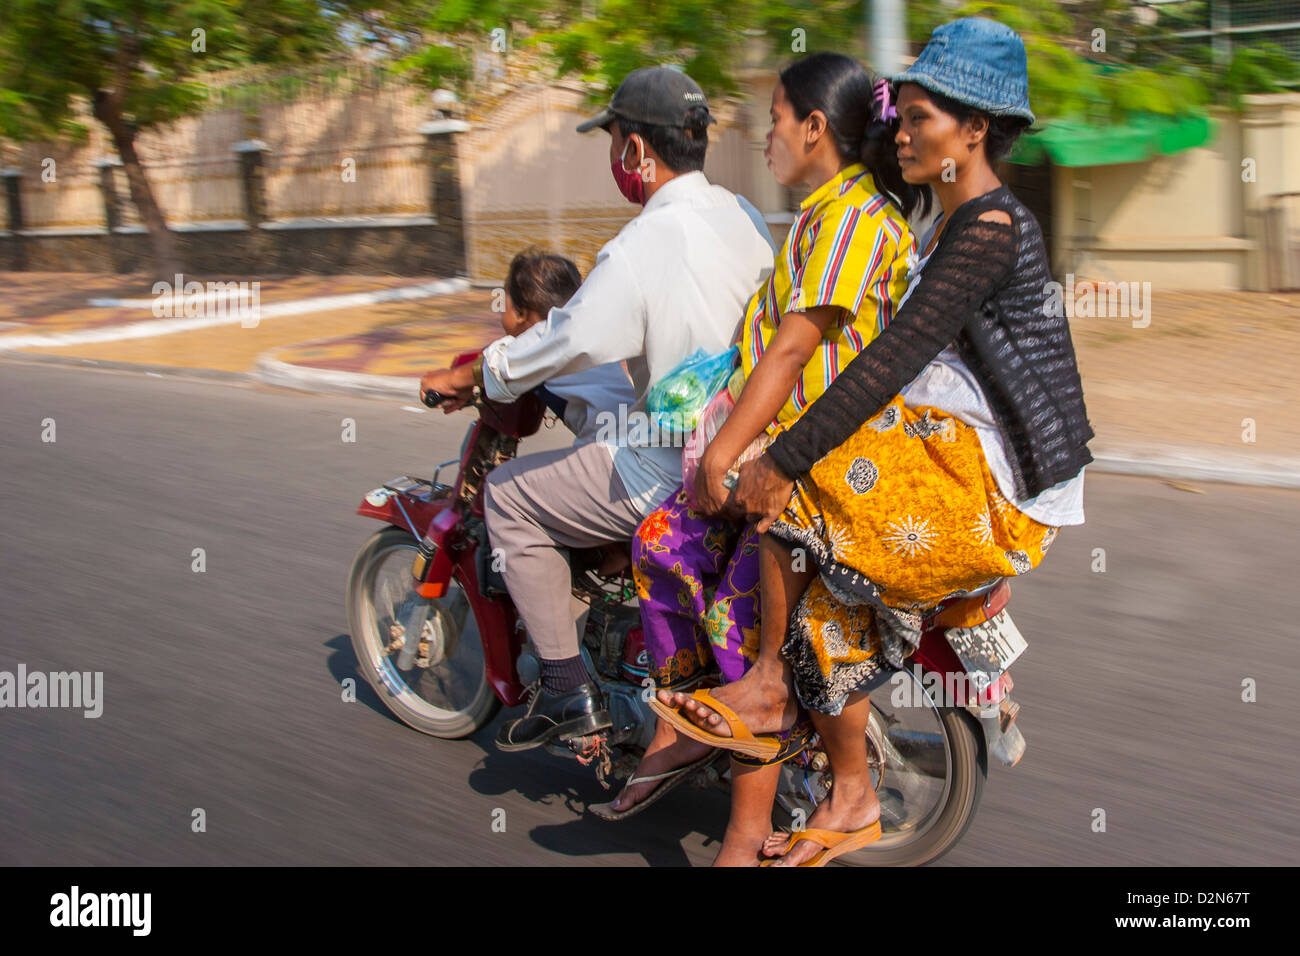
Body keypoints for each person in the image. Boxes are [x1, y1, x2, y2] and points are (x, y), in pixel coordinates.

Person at [656, 17, 1095, 867]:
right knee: (824, 620)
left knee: (796, 476)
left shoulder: (993, 229)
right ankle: (851, 792)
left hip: (988, 482)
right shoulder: (945, 225)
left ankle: (768, 691)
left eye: (921, 117)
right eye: (902, 116)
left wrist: (777, 458)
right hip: (936, 452)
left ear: (974, 130)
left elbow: (894, 360)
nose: (901, 131)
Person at [604, 53, 925, 865]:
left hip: (809, 475)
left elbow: (792, 351)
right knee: (661, 545)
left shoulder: (856, 219)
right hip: (778, 461)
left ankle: (743, 836)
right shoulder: (816, 218)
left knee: (737, 629)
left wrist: (725, 449)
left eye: (777, 116)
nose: (767, 132)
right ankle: (685, 719)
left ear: (816, 128)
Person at [418, 65, 775, 751]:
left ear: (638, 152)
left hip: (669, 465)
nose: (615, 158)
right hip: (746, 445)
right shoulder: (746, 216)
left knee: (508, 496)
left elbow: (571, 336)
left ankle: (563, 690)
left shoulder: (640, 245)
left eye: (615, 142)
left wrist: (487, 373)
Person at [493, 247, 636, 445]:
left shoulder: (540, 344)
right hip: (632, 433)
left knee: (503, 477)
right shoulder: (585, 334)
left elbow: (493, 365)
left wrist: (443, 381)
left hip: (609, 449)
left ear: (520, 314)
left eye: (503, 303)